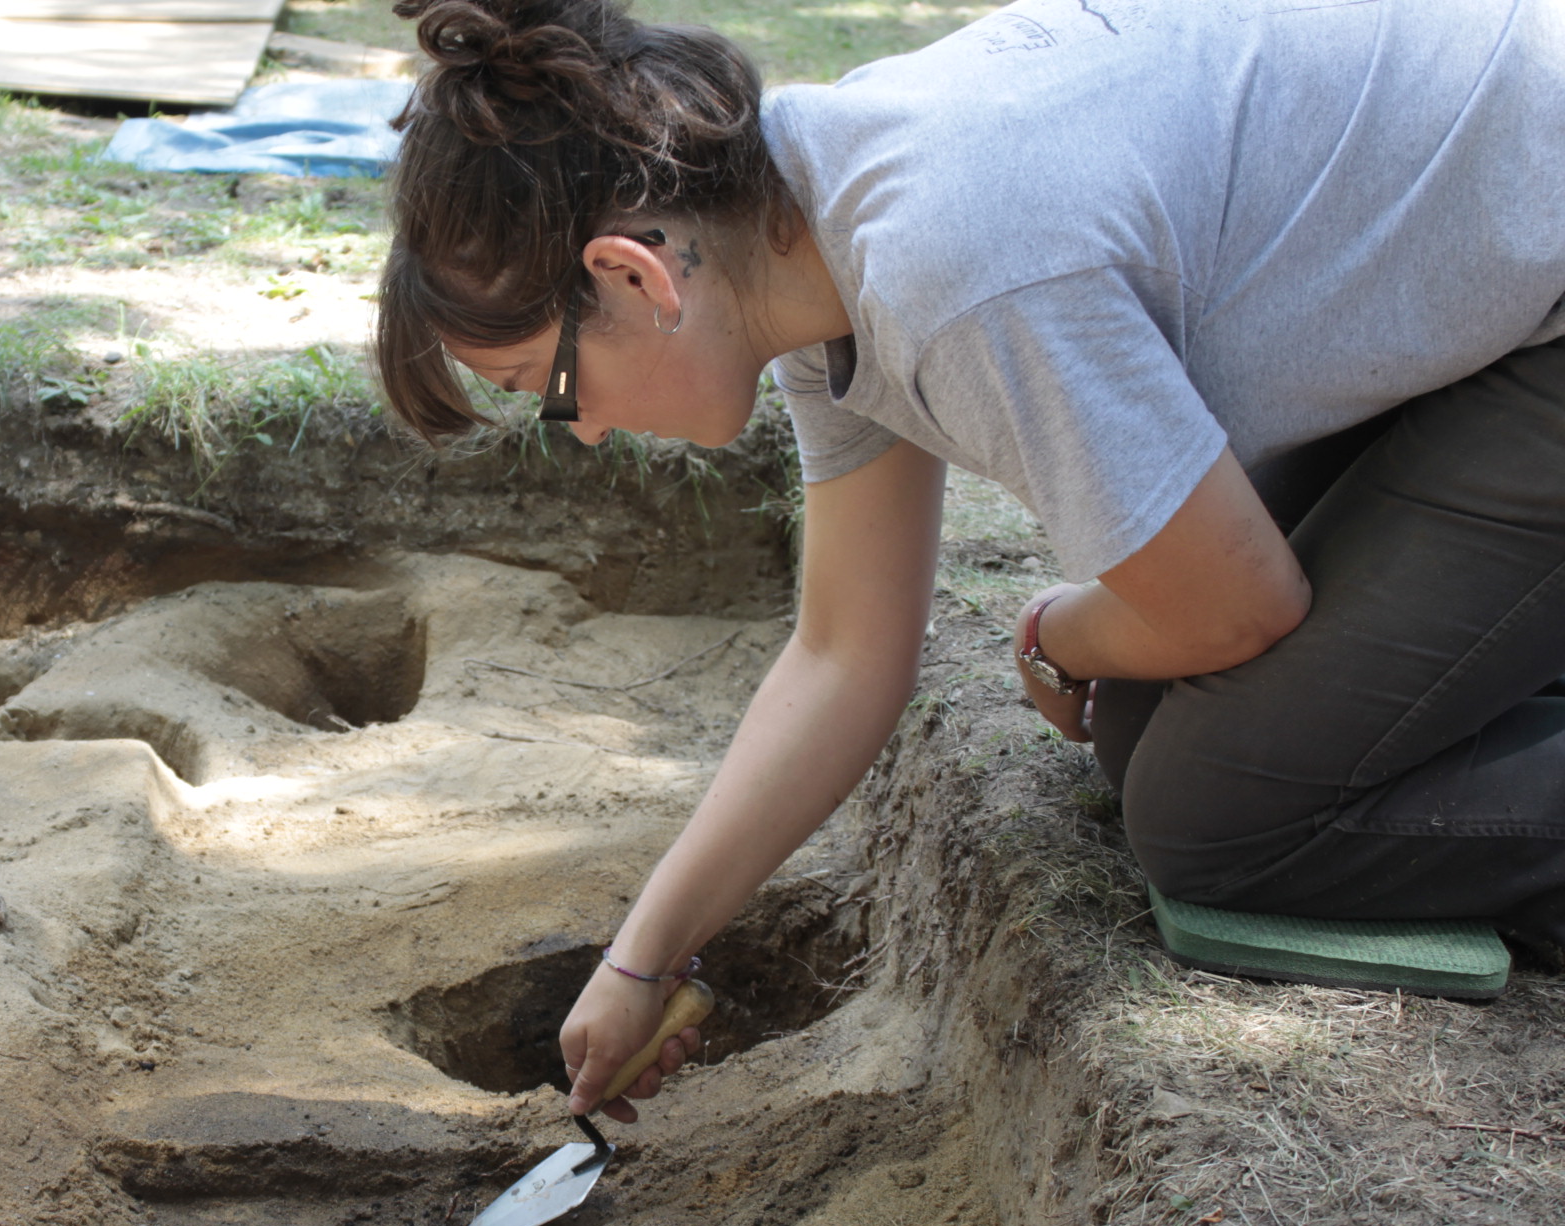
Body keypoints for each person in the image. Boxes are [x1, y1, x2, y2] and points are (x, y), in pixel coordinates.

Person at [371, 0, 1565, 1121]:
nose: (577, 430)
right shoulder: (800, 239)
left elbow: (1236, 604)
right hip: (1488, 297)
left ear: (634, 275)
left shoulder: (946, 267)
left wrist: (1060, 630)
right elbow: (845, 651)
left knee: (1220, 819)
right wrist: (646, 955)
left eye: (548, 385)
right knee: (1142, 721)